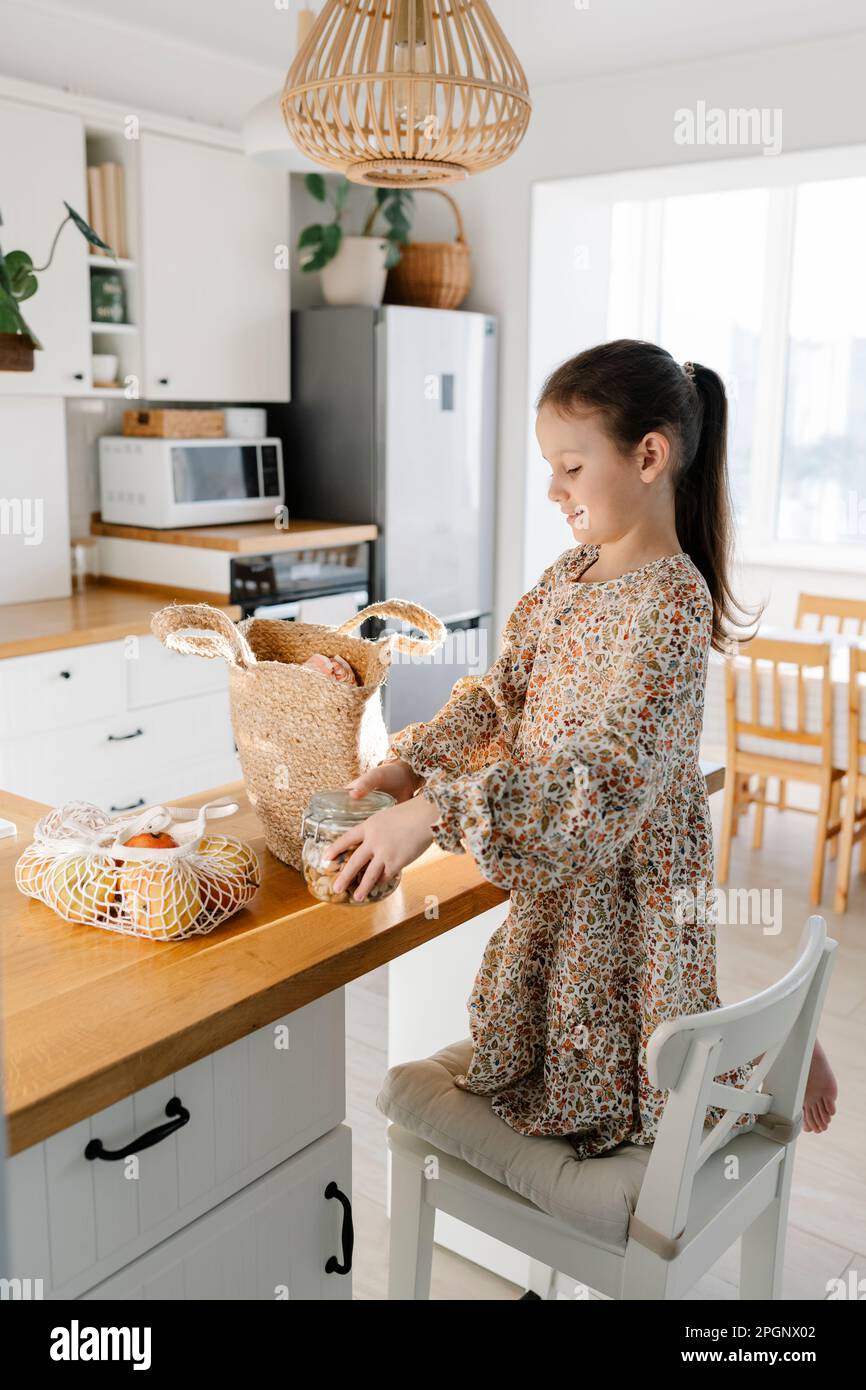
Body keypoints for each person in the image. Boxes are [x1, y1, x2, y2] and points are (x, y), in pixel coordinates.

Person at [323, 338, 837, 1151]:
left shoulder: (670, 605)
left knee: (648, 1084)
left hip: (630, 897)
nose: (553, 489)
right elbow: (501, 699)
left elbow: (597, 787)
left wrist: (435, 811)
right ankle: (759, 1044)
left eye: (570, 466)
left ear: (649, 456)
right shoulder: (569, 576)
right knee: (561, 1062)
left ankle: (771, 1051)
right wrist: (414, 763)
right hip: (567, 884)